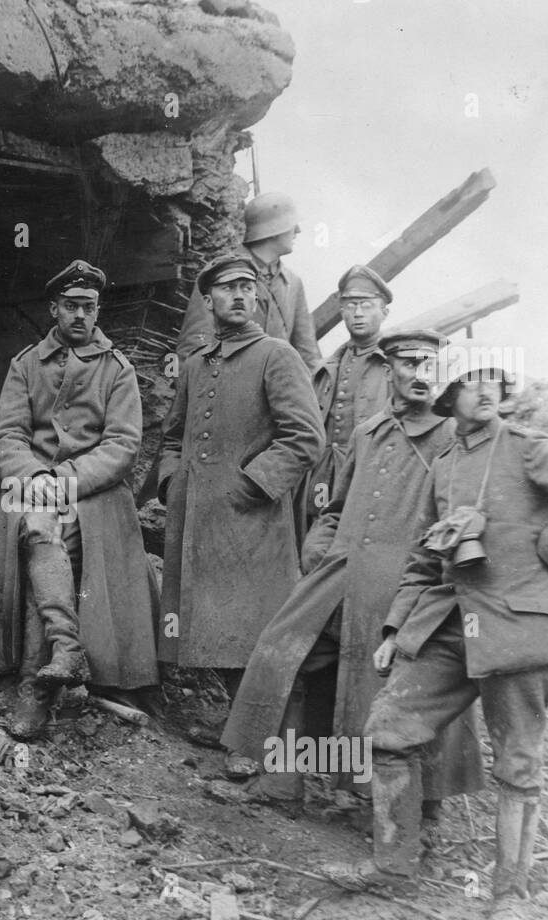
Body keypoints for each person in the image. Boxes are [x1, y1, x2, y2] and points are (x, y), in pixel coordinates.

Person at [330, 353, 548, 920]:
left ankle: (509, 896)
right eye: (469, 383)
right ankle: (393, 866)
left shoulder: (527, 446)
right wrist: (397, 629)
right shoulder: (445, 461)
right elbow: (425, 554)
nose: (484, 391)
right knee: (388, 732)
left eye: (492, 380)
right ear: (448, 398)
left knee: (518, 767)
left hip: (520, 629)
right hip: (451, 627)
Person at [219, 331, 483, 816]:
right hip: (341, 573)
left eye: (430, 364)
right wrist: (318, 553)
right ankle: (283, 781)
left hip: (409, 586)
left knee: (397, 692)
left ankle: (412, 811)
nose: (422, 374)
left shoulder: (453, 438)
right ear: (390, 369)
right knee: (285, 655)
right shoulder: (368, 432)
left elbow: (462, 523)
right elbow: (335, 509)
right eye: (410, 363)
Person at [0, 261, 159, 739]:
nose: (80, 315)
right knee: (40, 528)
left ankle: (38, 684)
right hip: (35, 487)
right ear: (54, 308)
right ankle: (59, 655)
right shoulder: (25, 364)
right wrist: (37, 476)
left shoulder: (117, 369)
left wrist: (65, 478)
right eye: (71, 306)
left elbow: (123, 445)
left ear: (97, 309)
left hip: (95, 493)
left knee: (56, 529)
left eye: (88, 306)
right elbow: (8, 436)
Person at [157, 254, 324, 713]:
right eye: (227, 289)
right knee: (214, 624)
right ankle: (230, 729)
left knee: (253, 626)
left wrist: (253, 484)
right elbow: (173, 435)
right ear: (208, 300)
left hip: (252, 519)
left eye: (247, 287)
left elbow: (306, 437)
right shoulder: (195, 364)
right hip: (200, 516)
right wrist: (173, 483)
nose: (239, 295)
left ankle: (257, 740)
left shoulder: (277, 355)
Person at [175, 192, 320, 367]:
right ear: (274, 230)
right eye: (291, 225)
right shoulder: (218, 272)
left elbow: (308, 354)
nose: (297, 231)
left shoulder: (293, 283)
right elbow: (194, 345)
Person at [302, 265, 394, 524]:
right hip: (325, 474)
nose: (358, 313)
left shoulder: (395, 365)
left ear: (384, 312)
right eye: (350, 305)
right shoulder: (326, 368)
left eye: (366, 305)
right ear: (342, 311)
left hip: (371, 472)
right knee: (319, 534)